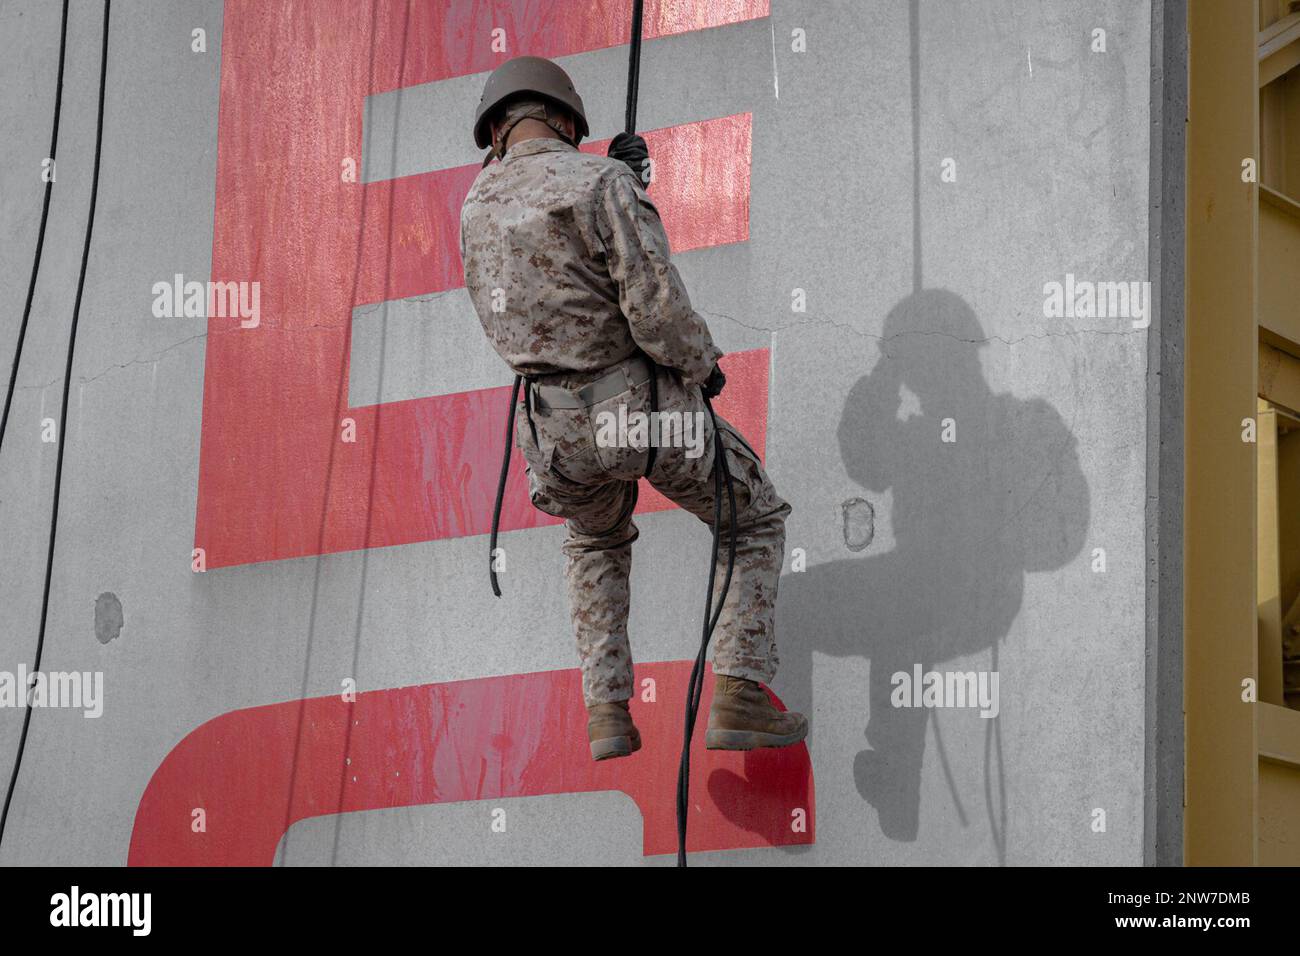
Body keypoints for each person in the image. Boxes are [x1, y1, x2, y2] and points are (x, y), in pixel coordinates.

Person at [460, 55, 807, 761]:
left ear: (496, 128)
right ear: (565, 119)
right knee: (753, 517)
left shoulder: (473, 207)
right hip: (639, 414)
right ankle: (739, 692)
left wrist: (618, 182)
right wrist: (701, 366)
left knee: (594, 539)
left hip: (553, 434)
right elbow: (654, 309)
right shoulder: (601, 183)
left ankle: (608, 713)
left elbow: (543, 278)